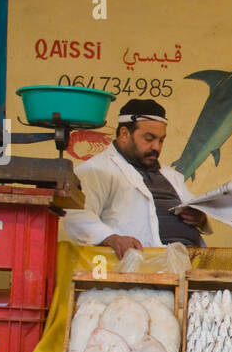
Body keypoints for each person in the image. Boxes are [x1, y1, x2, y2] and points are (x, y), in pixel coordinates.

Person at [63, 99, 211, 256]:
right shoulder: (97, 169)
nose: (156, 147)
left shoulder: (171, 176)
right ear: (125, 134)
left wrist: (199, 218)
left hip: (191, 260)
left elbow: (196, 211)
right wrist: (112, 239)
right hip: (143, 265)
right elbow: (76, 214)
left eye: (161, 140)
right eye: (149, 138)